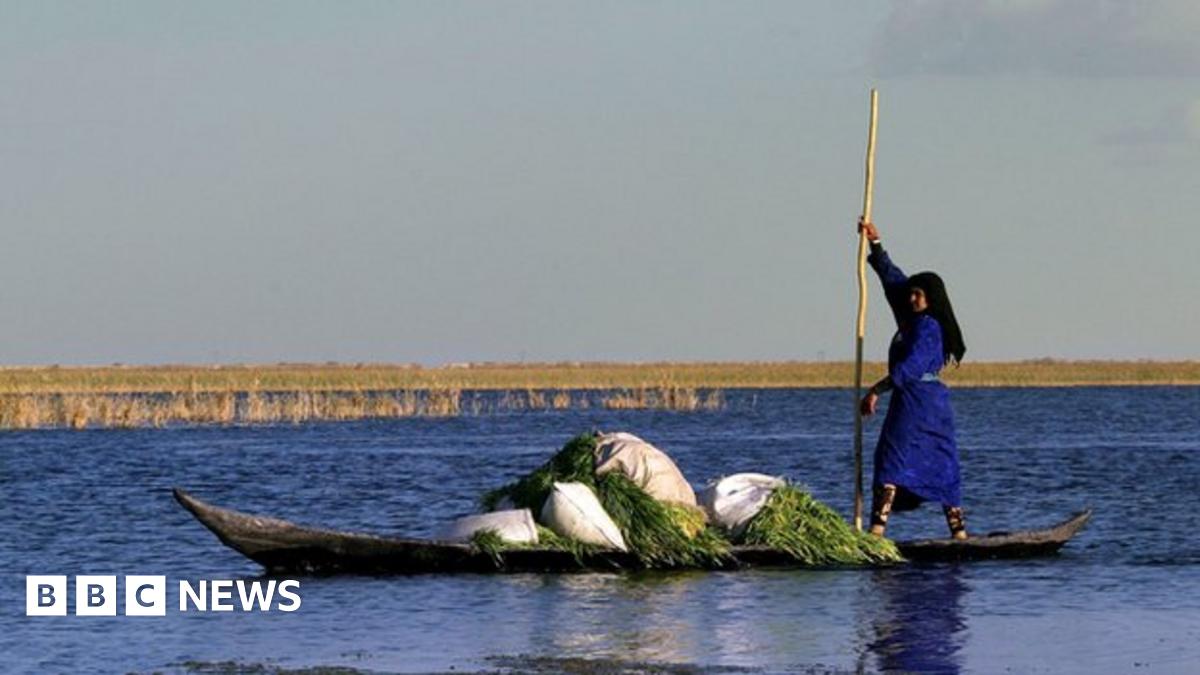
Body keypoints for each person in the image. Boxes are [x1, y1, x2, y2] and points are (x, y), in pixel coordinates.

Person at [858, 217, 968, 540]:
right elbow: (894, 281)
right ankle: (957, 534)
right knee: (938, 460)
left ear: (931, 299)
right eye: (912, 294)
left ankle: (878, 532)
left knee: (893, 457)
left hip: (918, 401)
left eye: (918, 295)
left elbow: (911, 366)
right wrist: (875, 243)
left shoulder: (929, 328)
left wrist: (876, 390)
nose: (912, 299)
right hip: (923, 400)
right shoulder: (912, 319)